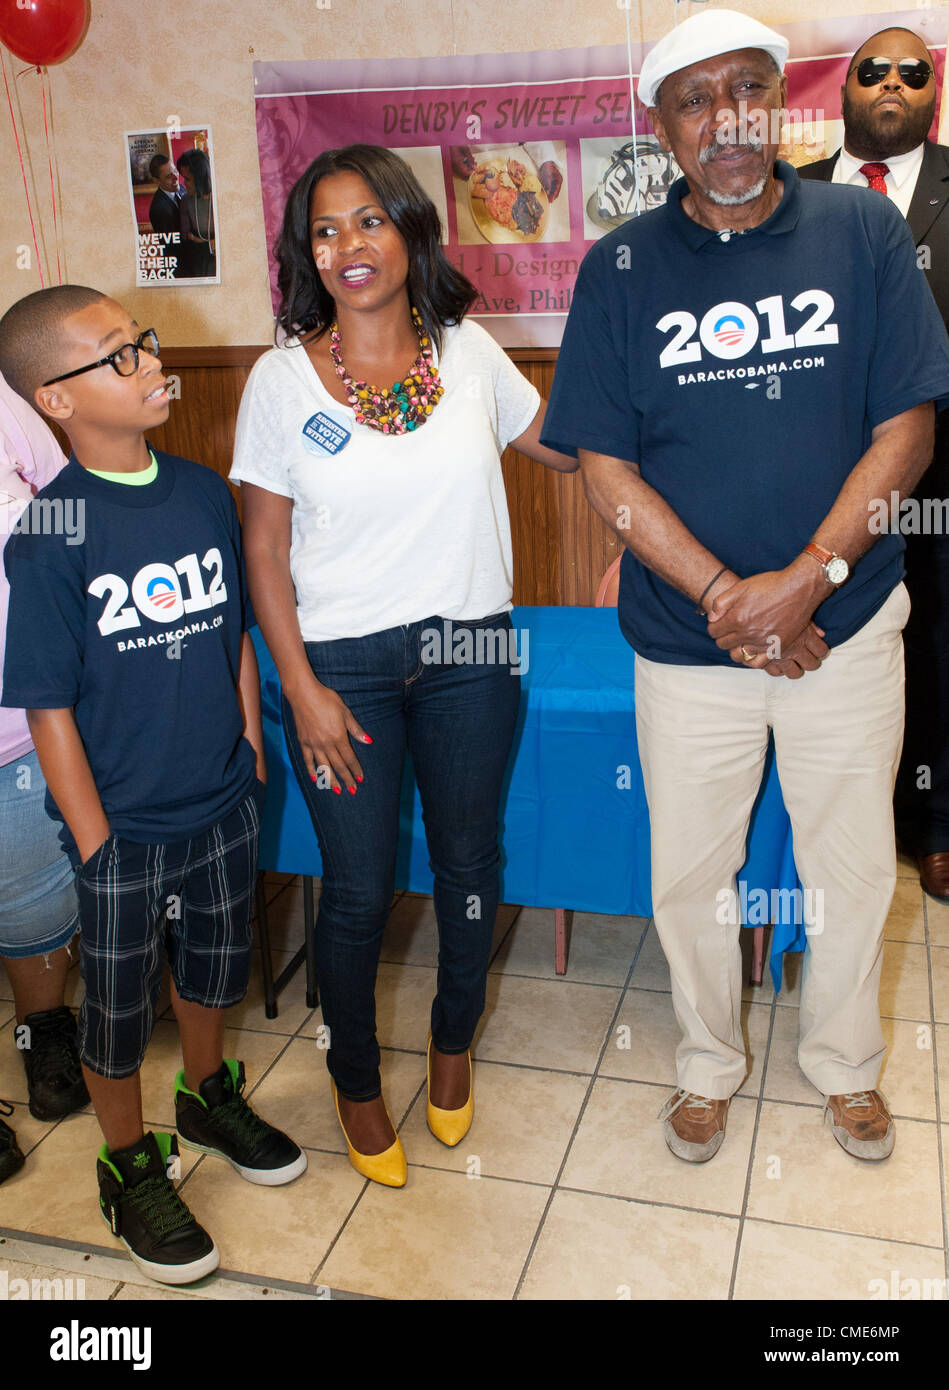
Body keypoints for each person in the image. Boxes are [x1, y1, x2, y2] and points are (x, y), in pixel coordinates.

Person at [541, 8, 949, 1165]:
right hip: (688, 644)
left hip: (847, 627)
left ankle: (844, 1069)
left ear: (778, 100)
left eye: (746, 89)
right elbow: (604, 471)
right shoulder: (618, 268)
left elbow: (905, 433)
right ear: (660, 125)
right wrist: (737, 596)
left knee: (853, 866)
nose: (726, 118)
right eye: (694, 98)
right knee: (691, 875)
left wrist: (809, 584)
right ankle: (708, 1063)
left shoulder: (863, 230)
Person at [231, 143, 575, 1187]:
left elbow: (566, 445)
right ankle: (353, 1081)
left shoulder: (468, 352)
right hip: (341, 667)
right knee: (357, 888)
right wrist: (300, 688)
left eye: (369, 221)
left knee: (472, 872)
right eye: (325, 230)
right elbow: (262, 553)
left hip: (471, 649)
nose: (349, 247)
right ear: (307, 253)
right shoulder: (281, 379)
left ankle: (453, 1039)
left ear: (409, 228)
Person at [0, 286, 305, 1282]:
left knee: (215, 967)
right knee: (121, 1008)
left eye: (143, 343)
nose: (147, 363)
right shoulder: (48, 533)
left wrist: (252, 741)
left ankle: (207, 1096)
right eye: (116, 355)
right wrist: (93, 839)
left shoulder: (199, 490)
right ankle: (128, 1161)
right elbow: (46, 704)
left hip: (220, 797)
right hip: (120, 826)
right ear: (55, 399)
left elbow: (233, 637)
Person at [799, 28, 949, 904]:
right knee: (829, 640)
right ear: (842, 90)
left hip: (938, 479)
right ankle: (833, 826)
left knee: (933, 641)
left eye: (912, 71)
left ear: (933, 91)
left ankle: (929, 825)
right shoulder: (790, 194)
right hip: (813, 480)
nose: (891, 82)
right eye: (872, 70)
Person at [0, 370, 89, 1184]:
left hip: (17, 726)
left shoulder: (2, 406)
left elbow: (69, 508)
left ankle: (44, 1032)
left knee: (36, 902)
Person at [177, 149, 215, 278]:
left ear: (200, 178)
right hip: (199, 264)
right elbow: (186, 239)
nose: (184, 184)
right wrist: (210, 244)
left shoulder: (220, 197)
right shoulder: (186, 201)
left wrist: (199, 240)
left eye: (187, 179)